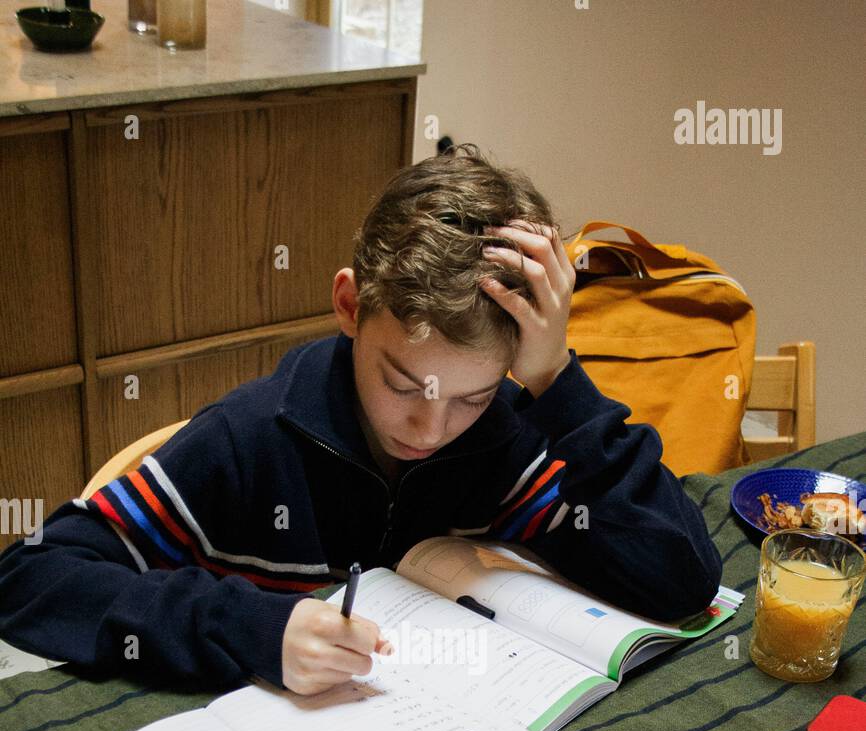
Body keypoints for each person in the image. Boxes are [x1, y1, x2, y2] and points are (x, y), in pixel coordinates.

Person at [0, 144, 722, 695]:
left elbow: (682, 581)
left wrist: (558, 384)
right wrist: (252, 628)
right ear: (350, 306)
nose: (431, 428)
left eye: (471, 397)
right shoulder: (246, 440)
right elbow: (30, 578)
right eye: (403, 382)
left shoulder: (508, 438)